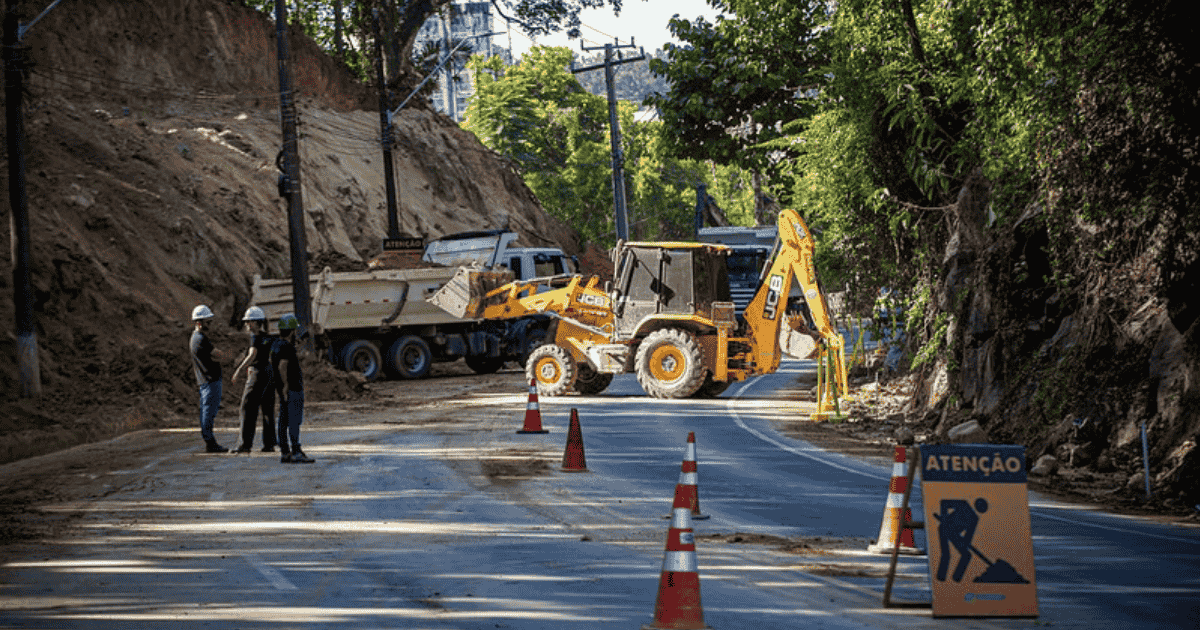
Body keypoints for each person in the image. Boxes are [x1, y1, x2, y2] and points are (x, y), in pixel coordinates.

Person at [230, 306, 277, 454]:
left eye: (248, 322)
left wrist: (239, 369)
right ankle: (269, 444)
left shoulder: (255, 337)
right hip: (269, 373)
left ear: (255, 323)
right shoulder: (268, 337)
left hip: (258, 374)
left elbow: (252, 355)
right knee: (267, 409)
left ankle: (245, 445)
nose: (246, 325)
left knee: (247, 408)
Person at [271, 313, 313, 463]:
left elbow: (284, 358)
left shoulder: (277, 344)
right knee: (294, 420)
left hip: (283, 390)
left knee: (283, 420)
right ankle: (296, 451)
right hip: (292, 389)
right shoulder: (286, 347)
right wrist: (286, 385)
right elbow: (283, 366)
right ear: (292, 331)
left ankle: (285, 452)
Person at [190, 304, 228, 453]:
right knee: (208, 412)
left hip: (207, 380)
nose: (210, 325)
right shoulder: (200, 339)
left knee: (208, 411)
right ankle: (210, 442)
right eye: (208, 322)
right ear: (199, 322)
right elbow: (217, 354)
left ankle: (210, 441)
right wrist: (227, 356)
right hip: (209, 381)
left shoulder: (197, 337)